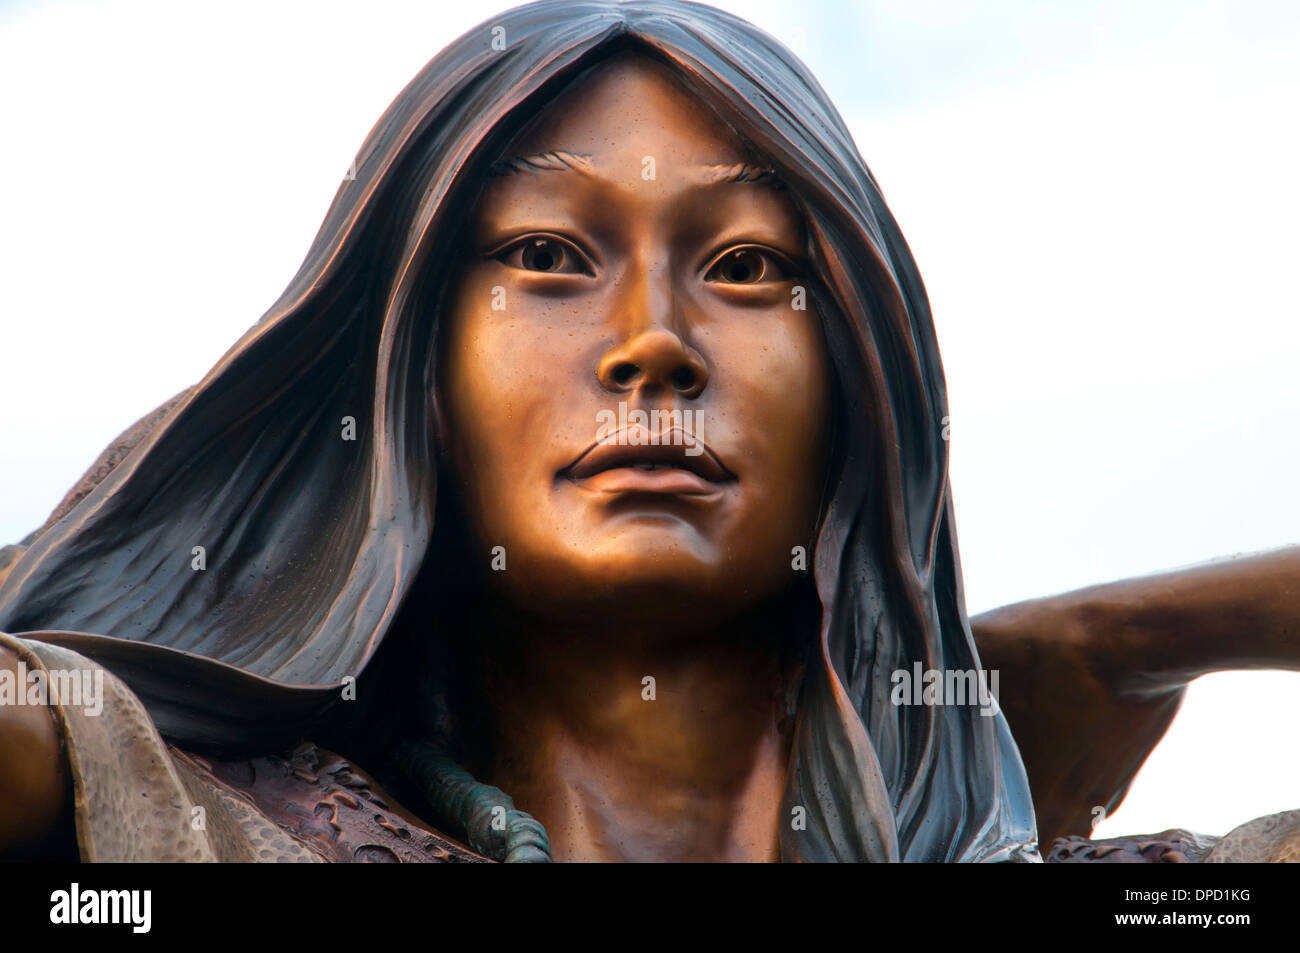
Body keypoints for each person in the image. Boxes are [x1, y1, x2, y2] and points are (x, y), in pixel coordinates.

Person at [0, 0, 1294, 863]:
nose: (652, 339)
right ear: (417, 374)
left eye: (743, 266)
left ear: (857, 382)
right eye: (548, 254)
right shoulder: (141, 799)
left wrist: (1130, 634)